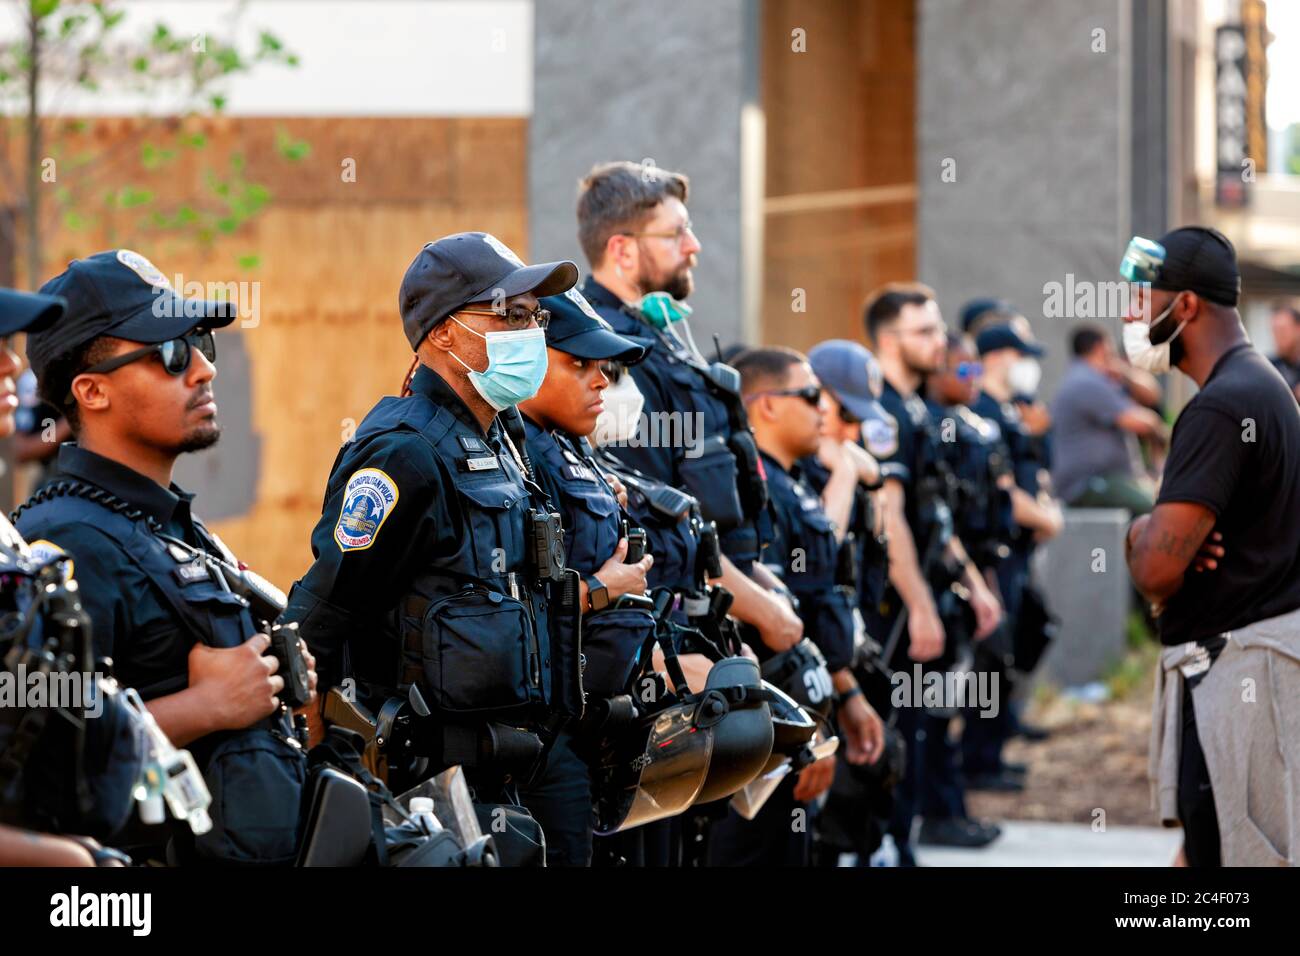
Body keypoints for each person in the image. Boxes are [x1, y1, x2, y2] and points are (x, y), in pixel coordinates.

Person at [284, 233, 581, 862]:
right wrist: (314, 766)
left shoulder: (504, 438)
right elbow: (322, 616)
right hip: (432, 788)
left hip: (513, 773)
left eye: (534, 316)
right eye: (509, 314)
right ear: (444, 334)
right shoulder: (403, 452)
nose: (530, 331)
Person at [14, 250, 317, 866]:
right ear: (91, 392)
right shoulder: (64, 540)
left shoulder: (164, 521)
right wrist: (205, 707)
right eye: (172, 355)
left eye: (198, 342)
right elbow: (37, 753)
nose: (204, 369)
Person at [1120, 227, 1300, 867]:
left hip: (1242, 682)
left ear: (1187, 306)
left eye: (1143, 296)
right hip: (1245, 678)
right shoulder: (1258, 386)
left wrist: (1137, 533)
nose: (1132, 313)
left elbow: (1156, 572)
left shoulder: (1221, 408)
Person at [712, 346, 885, 865]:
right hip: (771, 718)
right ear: (765, 404)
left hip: (809, 700)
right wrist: (805, 729)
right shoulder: (748, 488)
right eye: (811, 396)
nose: (823, 411)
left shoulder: (795, 478)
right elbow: (769, 624)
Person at [862, 282, 1003, 862]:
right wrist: (919, 606)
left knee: (922, 729)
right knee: (894, 734)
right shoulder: (882, 412)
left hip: (925, 593)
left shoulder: (919, 408)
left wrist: (973, 584)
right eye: (924, 331)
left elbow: (933, 515)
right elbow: (888, 516)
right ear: (889, 340)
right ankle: (888, 845)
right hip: (891, 611)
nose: (939, 343)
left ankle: (907, 839)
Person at [514, 288, 655, 865]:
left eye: (605, 368)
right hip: (546, 730)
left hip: (603, 718)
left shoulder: (568, 445)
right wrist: (602, 591)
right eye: (579, 364)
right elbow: (505, 603)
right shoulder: (516, 452)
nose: (601, 381)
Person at [1051, 323, 1165, 513]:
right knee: (1157, 512)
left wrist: (1123, 371)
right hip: (1089, 482)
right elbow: (1140, 422)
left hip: (1107, 478)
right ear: (1100, 347)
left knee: (1163, 502)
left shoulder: (1097, 378)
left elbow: (1152, 394)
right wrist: (1156, 425)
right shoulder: (1086, 381)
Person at [1267, 299, 1300, 400]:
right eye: (1274, 330)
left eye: (1282, 330)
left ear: (1298, 329)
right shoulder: (1268, 366)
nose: (1278, 336)